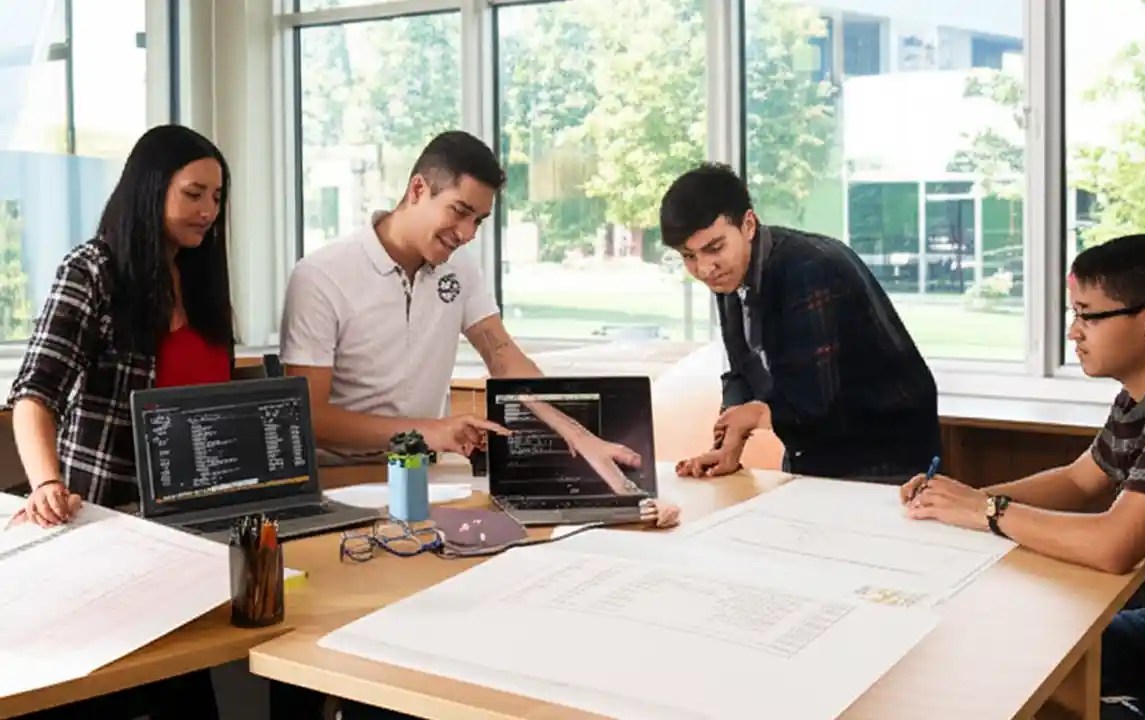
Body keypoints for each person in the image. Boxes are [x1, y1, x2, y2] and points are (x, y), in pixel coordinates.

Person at [901, 233, 1145, 719]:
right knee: (1000, 652)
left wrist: (985, 510)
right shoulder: (1142, 397)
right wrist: (956, 498)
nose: (1073, 332)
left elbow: (1113, 545)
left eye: (1088, 315)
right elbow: (1082, 480)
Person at [279, 130, 679, 525]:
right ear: (418, 189)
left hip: (425, 473)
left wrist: (580, 435)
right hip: (336, 480)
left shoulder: (460, 269)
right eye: (459, 211)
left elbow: (504, 358)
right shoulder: (320, 276)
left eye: (479, 220)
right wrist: (431, 431)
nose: (468, 234)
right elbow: (308, 418)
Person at [3, 124, 233, 718]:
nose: (208, 210)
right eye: (193, 193)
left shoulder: (203, 278)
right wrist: (46, 483)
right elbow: (34, 392)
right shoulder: (93, 269)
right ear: (150, 188)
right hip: (113, 526)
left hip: (195, 528)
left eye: (217, 196)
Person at [660, 163, 940, 482]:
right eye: (689, 256)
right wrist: (728, 442)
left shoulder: (808, 269)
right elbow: (743, 369)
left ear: (748, 225)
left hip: (885, 455)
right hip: (818, 448)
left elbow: (814, 402)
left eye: (714, 248)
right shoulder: (731, 271)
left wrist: (752, 416)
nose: (705, 268)